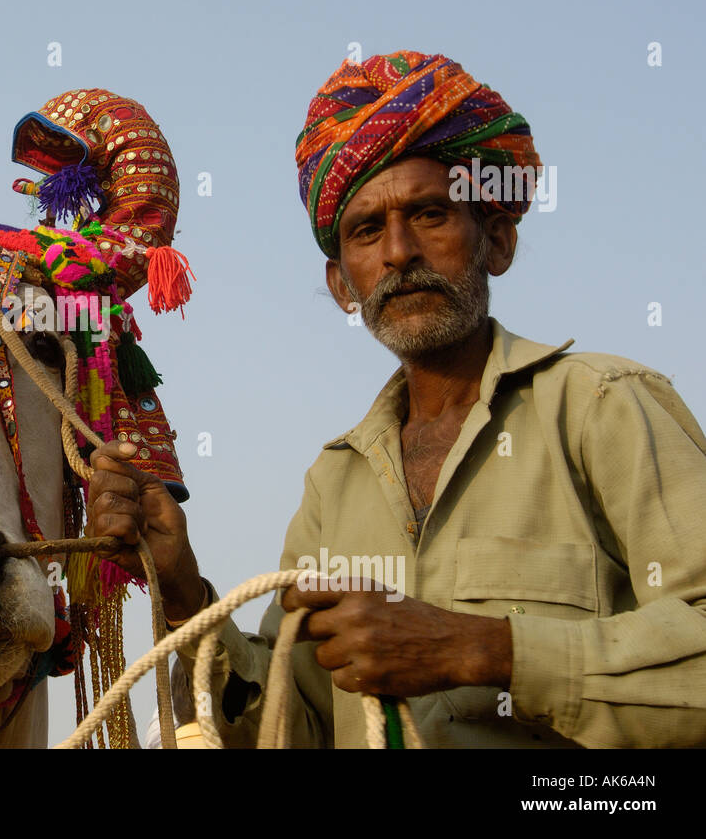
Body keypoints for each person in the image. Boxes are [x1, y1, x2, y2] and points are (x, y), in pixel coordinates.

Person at [85, 50, 706, 748]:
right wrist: (182, 589)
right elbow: (296, 724)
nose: (399, 252)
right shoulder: (334, 483)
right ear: (343, 285)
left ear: (496, 240)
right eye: (366, 230)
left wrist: (484, 650)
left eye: (431, 213)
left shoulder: (605, 407)